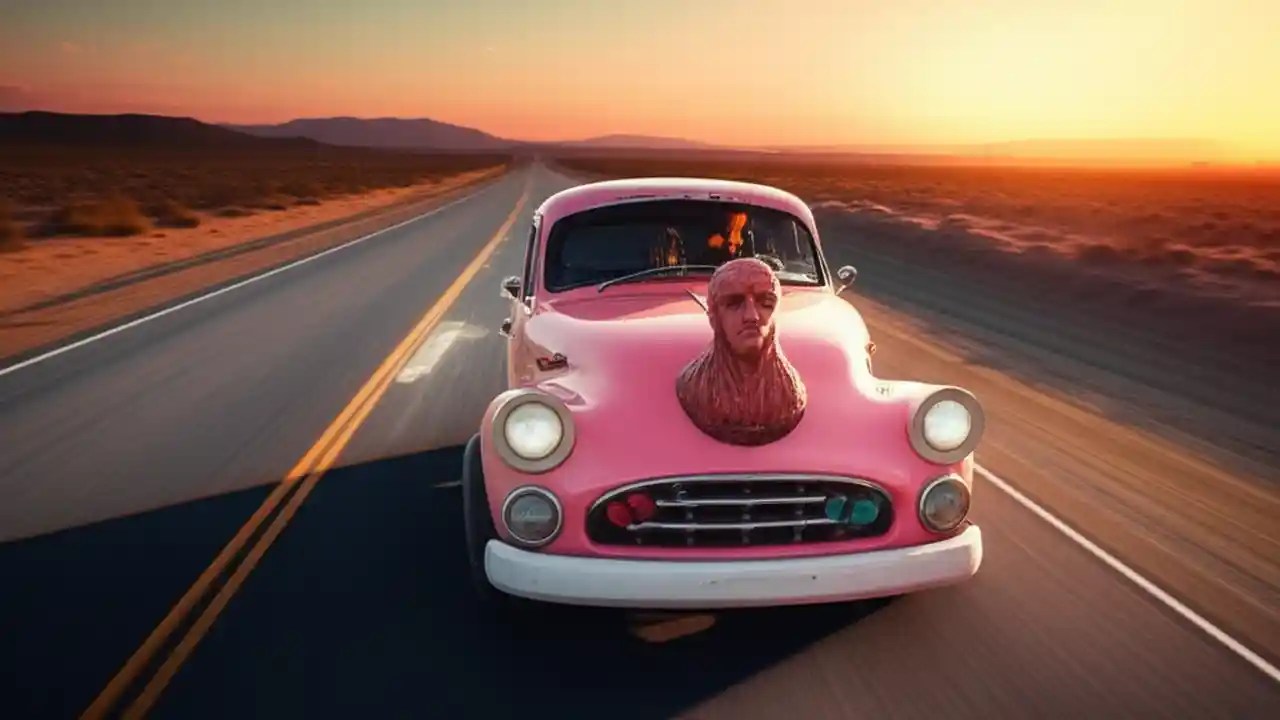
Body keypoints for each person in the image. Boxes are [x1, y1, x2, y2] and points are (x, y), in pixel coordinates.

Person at [675, 257, 807, 445]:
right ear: (714, 317)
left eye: (765, 303)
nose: (751, 316)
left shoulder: (788, 394)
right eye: (734, 304)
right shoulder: (697, 390)